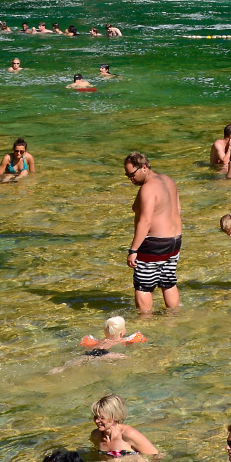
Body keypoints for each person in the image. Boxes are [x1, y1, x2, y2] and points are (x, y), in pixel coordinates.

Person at [123, 151, 182, 316]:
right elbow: (178, 209)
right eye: (127, 176)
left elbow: (145, 222)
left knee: (143, 285)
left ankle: (145, 322)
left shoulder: (148, 188)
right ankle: (174, 319)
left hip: (155, 243)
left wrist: (133, 250)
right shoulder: (168, 181)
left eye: (132, 174)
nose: (130, 179)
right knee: (168, 281)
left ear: (144, 167)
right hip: (175, 241)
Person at [54, 315, 147, 370]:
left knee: (73, 364)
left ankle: (59, 369)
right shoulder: (125, 341)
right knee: (126, 358)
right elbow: (139, 345)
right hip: (107, 354)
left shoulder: (98, 341)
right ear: (122, 332)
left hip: (91, 352)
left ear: (104, 331)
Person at [89, 394, 161, 460]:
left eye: (102, 418)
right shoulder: (96, 435)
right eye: (95, 417)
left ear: (115, 417)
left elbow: (156, 455)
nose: (97, 421)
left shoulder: (128, 434)